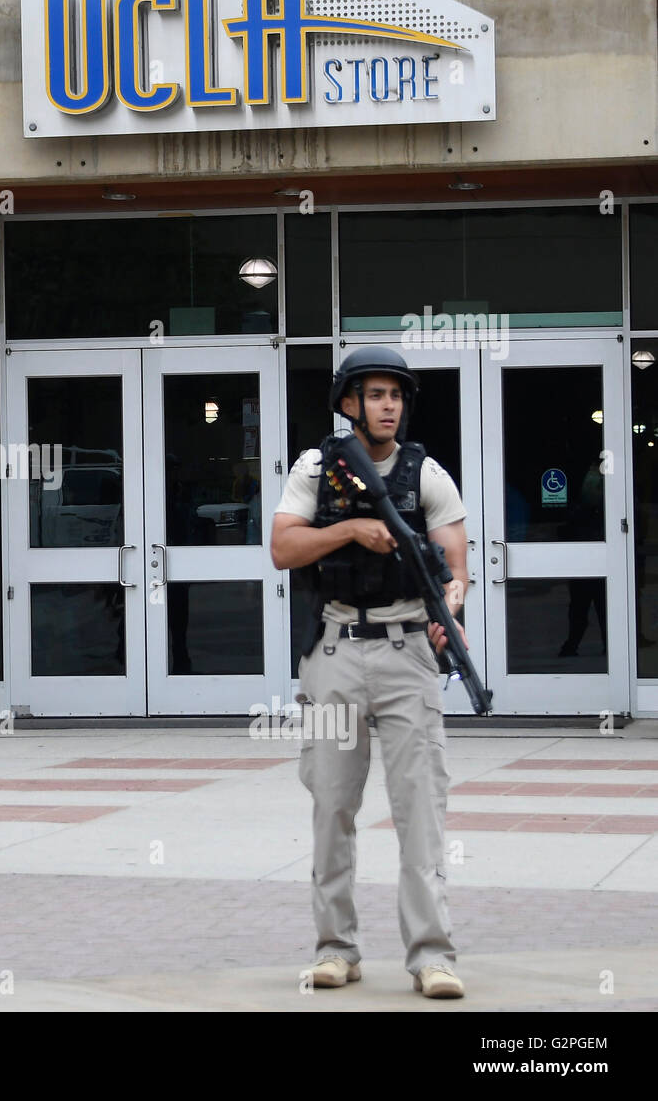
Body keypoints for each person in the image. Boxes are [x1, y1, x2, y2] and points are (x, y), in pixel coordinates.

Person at [269, 347, 469, 999]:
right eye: (376, 394)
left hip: (408, 650)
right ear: (349, 403)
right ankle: (335, 949)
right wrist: (352, 528)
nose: (389, 406)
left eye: (396, 395)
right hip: (335, 650)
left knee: (421, 808)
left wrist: (450, 612)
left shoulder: (426, 474)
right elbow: (282, 547)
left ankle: (432, 956)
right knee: (332, 804)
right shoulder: (316, 467)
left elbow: (456, 571)